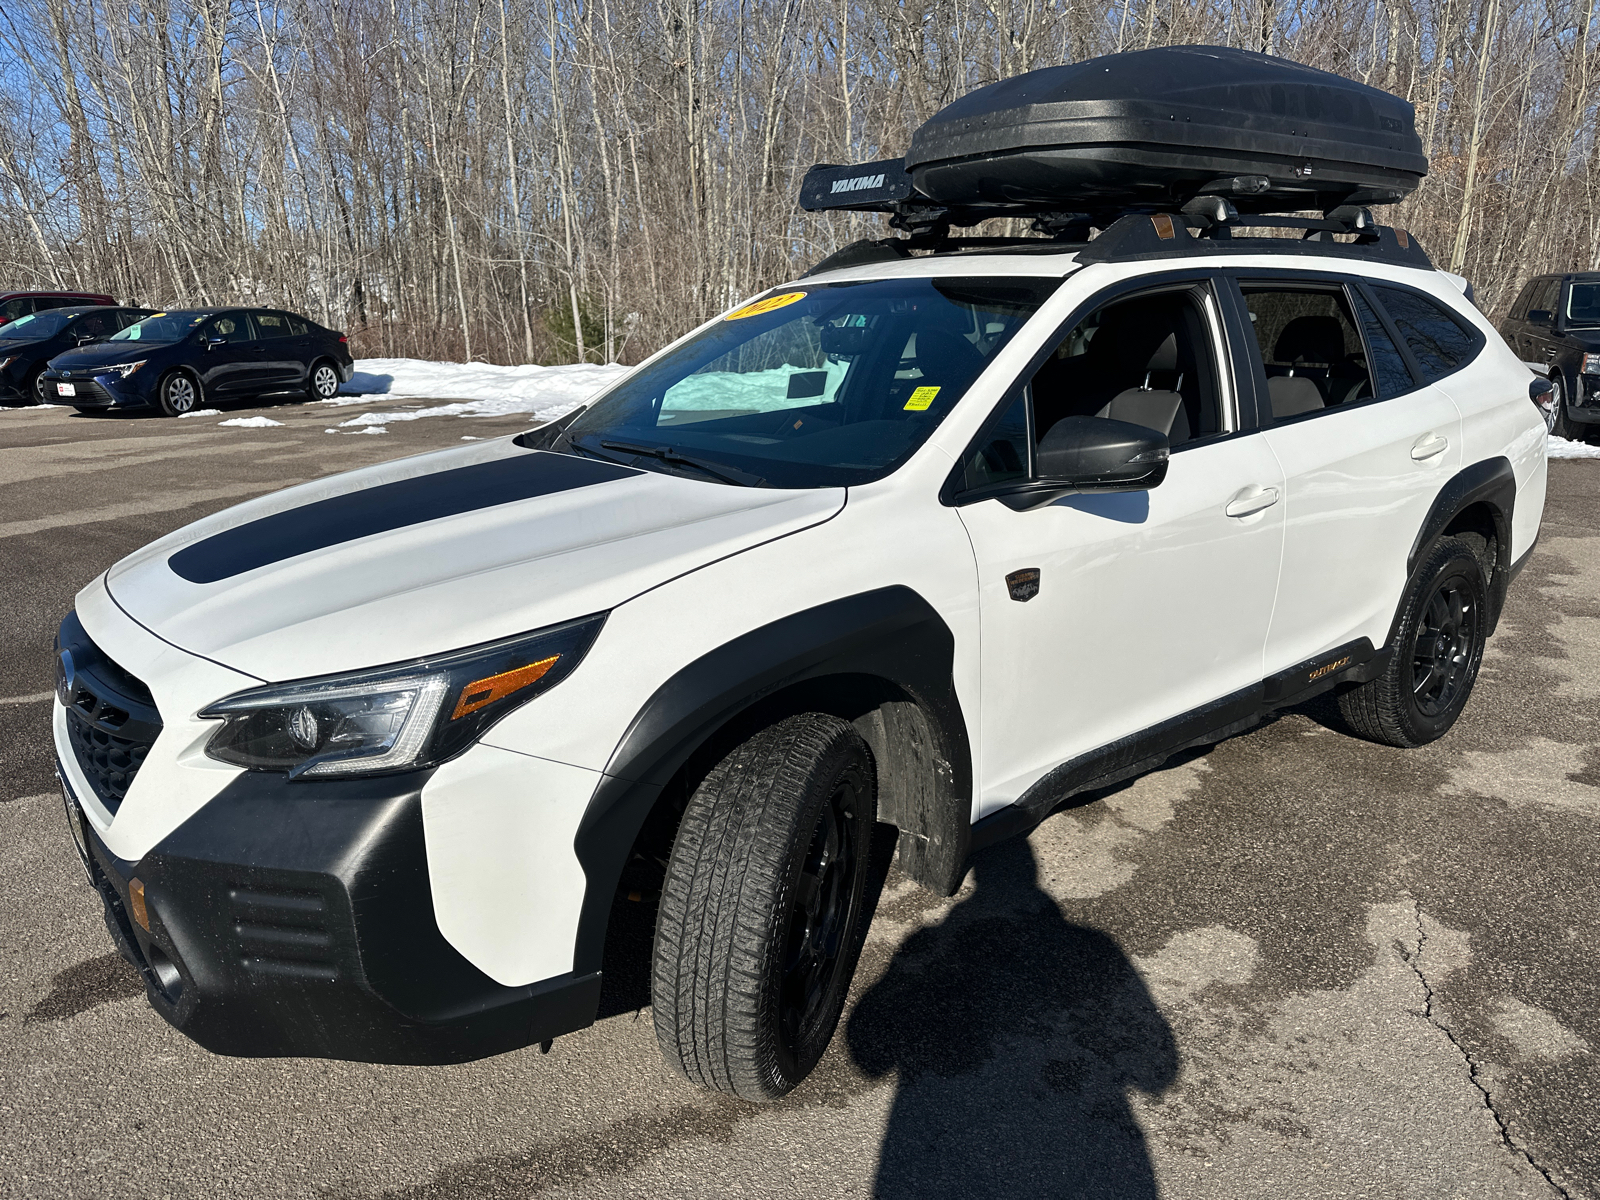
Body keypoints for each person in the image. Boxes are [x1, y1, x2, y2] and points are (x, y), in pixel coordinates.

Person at [847, 836, 1179, 1198]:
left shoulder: (925, 943)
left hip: (931, 1151)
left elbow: (868, 1056)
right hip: (1074, 1158)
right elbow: (1159, 1073)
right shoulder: (1094, 944)